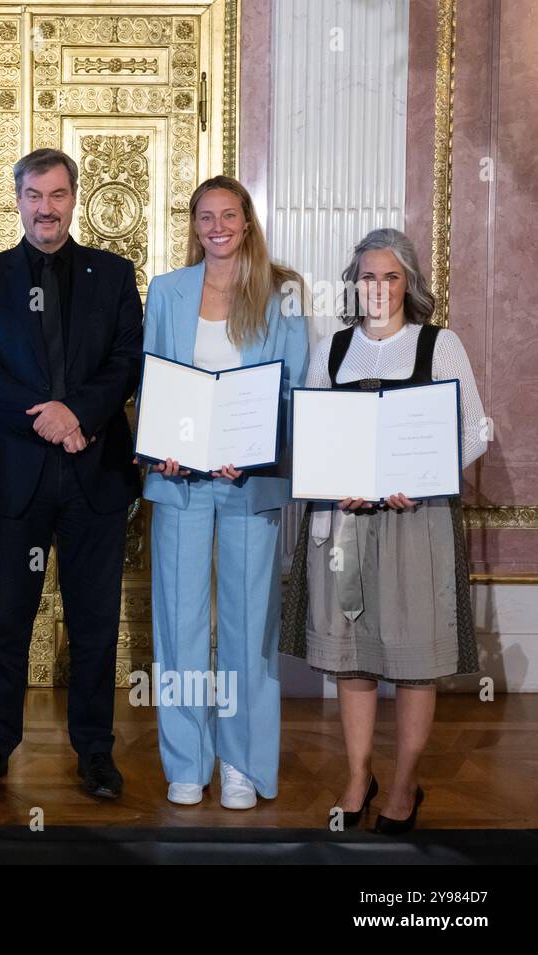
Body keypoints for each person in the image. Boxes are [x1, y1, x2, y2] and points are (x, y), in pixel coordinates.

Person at [281, 228, 486, 834]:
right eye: (367, 276)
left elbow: (473, 431)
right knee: (353, 661)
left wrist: (419, 479)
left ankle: (403, 785)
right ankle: (356, 776)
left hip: (414, 521)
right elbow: (312, 430)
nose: (378, 287)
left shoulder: (438, 345)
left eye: (390, 276)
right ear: (354, 284)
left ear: (410, 284)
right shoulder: (333, 349)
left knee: (414, 658)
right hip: (345, 521)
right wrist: (330, 477)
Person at [0, 148, 143, 798]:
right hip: (18, 476)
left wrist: (78, 415)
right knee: (10, 619)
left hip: (95, 476)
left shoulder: (114, 274)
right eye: (35, 195)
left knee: (94, 625)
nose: (47, 207)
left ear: (74, 198)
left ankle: (95, 751)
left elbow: (126, 361)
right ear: (18, 201)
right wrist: (44, 418)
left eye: (58, 194)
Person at [141, 175, 309, 809]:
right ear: (194, 225)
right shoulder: (167, 290)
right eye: (204, 216)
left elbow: (291, 386)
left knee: (246, 626)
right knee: (180, 625)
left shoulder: (282, 291)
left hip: (248, 481)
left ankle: (243, 762)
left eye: (228, 215)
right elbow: (152, 380)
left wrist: (254, 450)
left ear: (247, 222)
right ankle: (187, 760)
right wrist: (164, 446)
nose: (216, 226)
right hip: (179, 479)